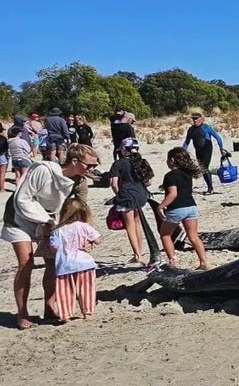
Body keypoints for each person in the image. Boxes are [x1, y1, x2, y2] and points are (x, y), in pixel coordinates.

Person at [2, 143, 99, 330]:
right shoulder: (45, 171)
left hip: (49, 220)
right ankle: (22, 314)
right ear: (75, 161)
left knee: (54, 263)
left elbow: (78, 211)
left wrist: (83, 237)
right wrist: (45, 220)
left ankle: (50, 306)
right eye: (89, 165)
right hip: (20, 217)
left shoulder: (79, 182)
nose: (92, 169)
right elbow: (23, 199)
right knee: (26, 263)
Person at [47, 197, 101, 322]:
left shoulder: (57, 231)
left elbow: (53, 248)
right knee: (87, 288)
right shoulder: (84, 226)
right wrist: (89, 243)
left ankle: (66, 314)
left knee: (65, 291)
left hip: (65, 264)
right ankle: (87, 312)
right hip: (84, 263)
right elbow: (98, 240)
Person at [155, 147, 209, 270]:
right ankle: (204, 262)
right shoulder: (187, 174)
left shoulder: (170, 175)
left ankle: (172, 261)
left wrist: (160, 206)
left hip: (177, 208)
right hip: (191, 207)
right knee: (194, 237)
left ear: (172, 160)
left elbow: (173, 194)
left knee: (165, 234)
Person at [109, 138, 161, 266]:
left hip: (127, 196)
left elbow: (113, 184)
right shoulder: (142, 162)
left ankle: (137, 254)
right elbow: (148, 182)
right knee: (137, 224)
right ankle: (140, 251)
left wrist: (119, 194)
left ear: (123, 150)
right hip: (141, 195)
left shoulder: (119, 163)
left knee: (129, 226)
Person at [181, 113, 227, 195]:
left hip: (207, 149)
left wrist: (221, 149)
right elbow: (187, 142)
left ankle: (210, 188)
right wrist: (181, 151)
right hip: (198, 151)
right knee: (203, 169)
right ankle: (209, 187)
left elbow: (218, 138)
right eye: (193, 119)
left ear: (201, 119)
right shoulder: (191, 130)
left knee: (204, 167)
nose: (195, 120)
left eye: (196, 119)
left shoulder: (206, 128)